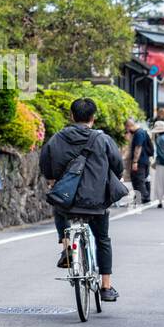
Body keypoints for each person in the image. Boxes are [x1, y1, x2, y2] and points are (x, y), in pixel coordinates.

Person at [39, 97, 122, 303]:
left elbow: (45, 164)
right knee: (102, 239)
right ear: (93, 118)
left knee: (59, 206)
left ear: (71, 116)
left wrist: (52, 181)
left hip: (67, 201)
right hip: (96, 201)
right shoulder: (102, 139)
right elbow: (117, 164)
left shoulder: (57, 139)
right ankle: (106, 286)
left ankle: (67, 246)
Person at [126, 118, 152, 205]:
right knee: (141, 179)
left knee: (138, 179)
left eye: (127, 128)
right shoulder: (142, 132)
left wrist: (135, 162)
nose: (128, 131)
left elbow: (138, 147)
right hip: (144, 160)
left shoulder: (138, 133)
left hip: (140, 161)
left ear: (129, 126)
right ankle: (141, 197)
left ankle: (143, 197)